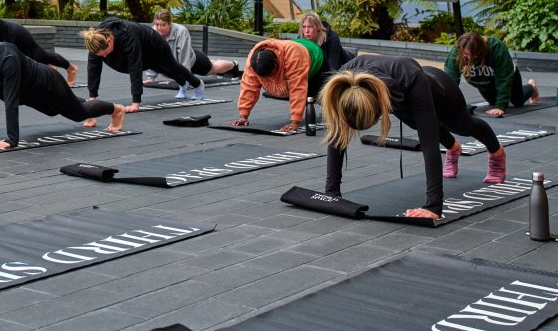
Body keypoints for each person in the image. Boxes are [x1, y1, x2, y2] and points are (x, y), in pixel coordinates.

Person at [320, 55, 507, 220]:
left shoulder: (410, 79)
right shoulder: (345, 82)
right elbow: (337, 136)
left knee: (463, 126)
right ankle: (453, 148)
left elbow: (429, 145)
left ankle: (497, 153)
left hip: (440, 93)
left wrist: (433, 206)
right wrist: (331, 193)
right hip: (401, 98)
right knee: (420, 124)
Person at [0, 24, 124, 148]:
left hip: (47, 84)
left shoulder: (6, 57)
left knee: (78, 114)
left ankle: (115, 110)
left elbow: (11, 99)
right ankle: (81, 104)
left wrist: (11, 139)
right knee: (53, 111)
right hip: (30, 95)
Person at [81, 16, 203, 111]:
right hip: (142, 51)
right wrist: (92, 98)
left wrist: (135, 103)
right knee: (161, 69)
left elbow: (135, 67)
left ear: (109, 40)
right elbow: (93, 70)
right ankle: (182, 84)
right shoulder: (95, 41)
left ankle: (197, 84)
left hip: (156, 46)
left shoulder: (127, 34)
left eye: (105, 52)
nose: (105, 57)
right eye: (101, 55)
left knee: (171, 67)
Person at [0, 12, 78, 88]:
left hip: (16, 34)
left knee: (40, 56)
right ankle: (50, 67)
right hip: (3, 40)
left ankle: (70, 68)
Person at [229, 38, 324, 132]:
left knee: (319, 95)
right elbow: (249, 87)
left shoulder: (293, 57)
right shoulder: (252, 62)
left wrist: (295, 122)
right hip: (291, 50)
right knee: (306, 96)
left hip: (315, 57)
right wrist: (243, 116)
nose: (267, 79)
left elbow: (297, 89)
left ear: (276, 64)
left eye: (269, 75)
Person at [445, 32, 538, 117]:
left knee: (518, 102)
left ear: (479, 50)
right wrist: (447, 104)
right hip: (482, 82)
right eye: (465, 54)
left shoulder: (496, 47)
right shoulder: (457, 50)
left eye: (471, 55)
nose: (468, 58)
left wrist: (501, 107)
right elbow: (450, 79)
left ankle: (531, 86)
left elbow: (504, 79)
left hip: (506, 75)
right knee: (493, 102)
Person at [151, 9, 238, 90]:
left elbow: (184, 56)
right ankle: (218, 62)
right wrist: (150, 77)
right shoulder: (153, 32)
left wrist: (185, 78)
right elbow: (151, 54)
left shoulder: (181, 31)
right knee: (213, 63)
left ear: (170, 24)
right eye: (157, 25)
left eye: (163, 25)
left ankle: (234, 64)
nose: (159, 28)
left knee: (214, 68)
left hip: (192, 60)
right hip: (180, 60)